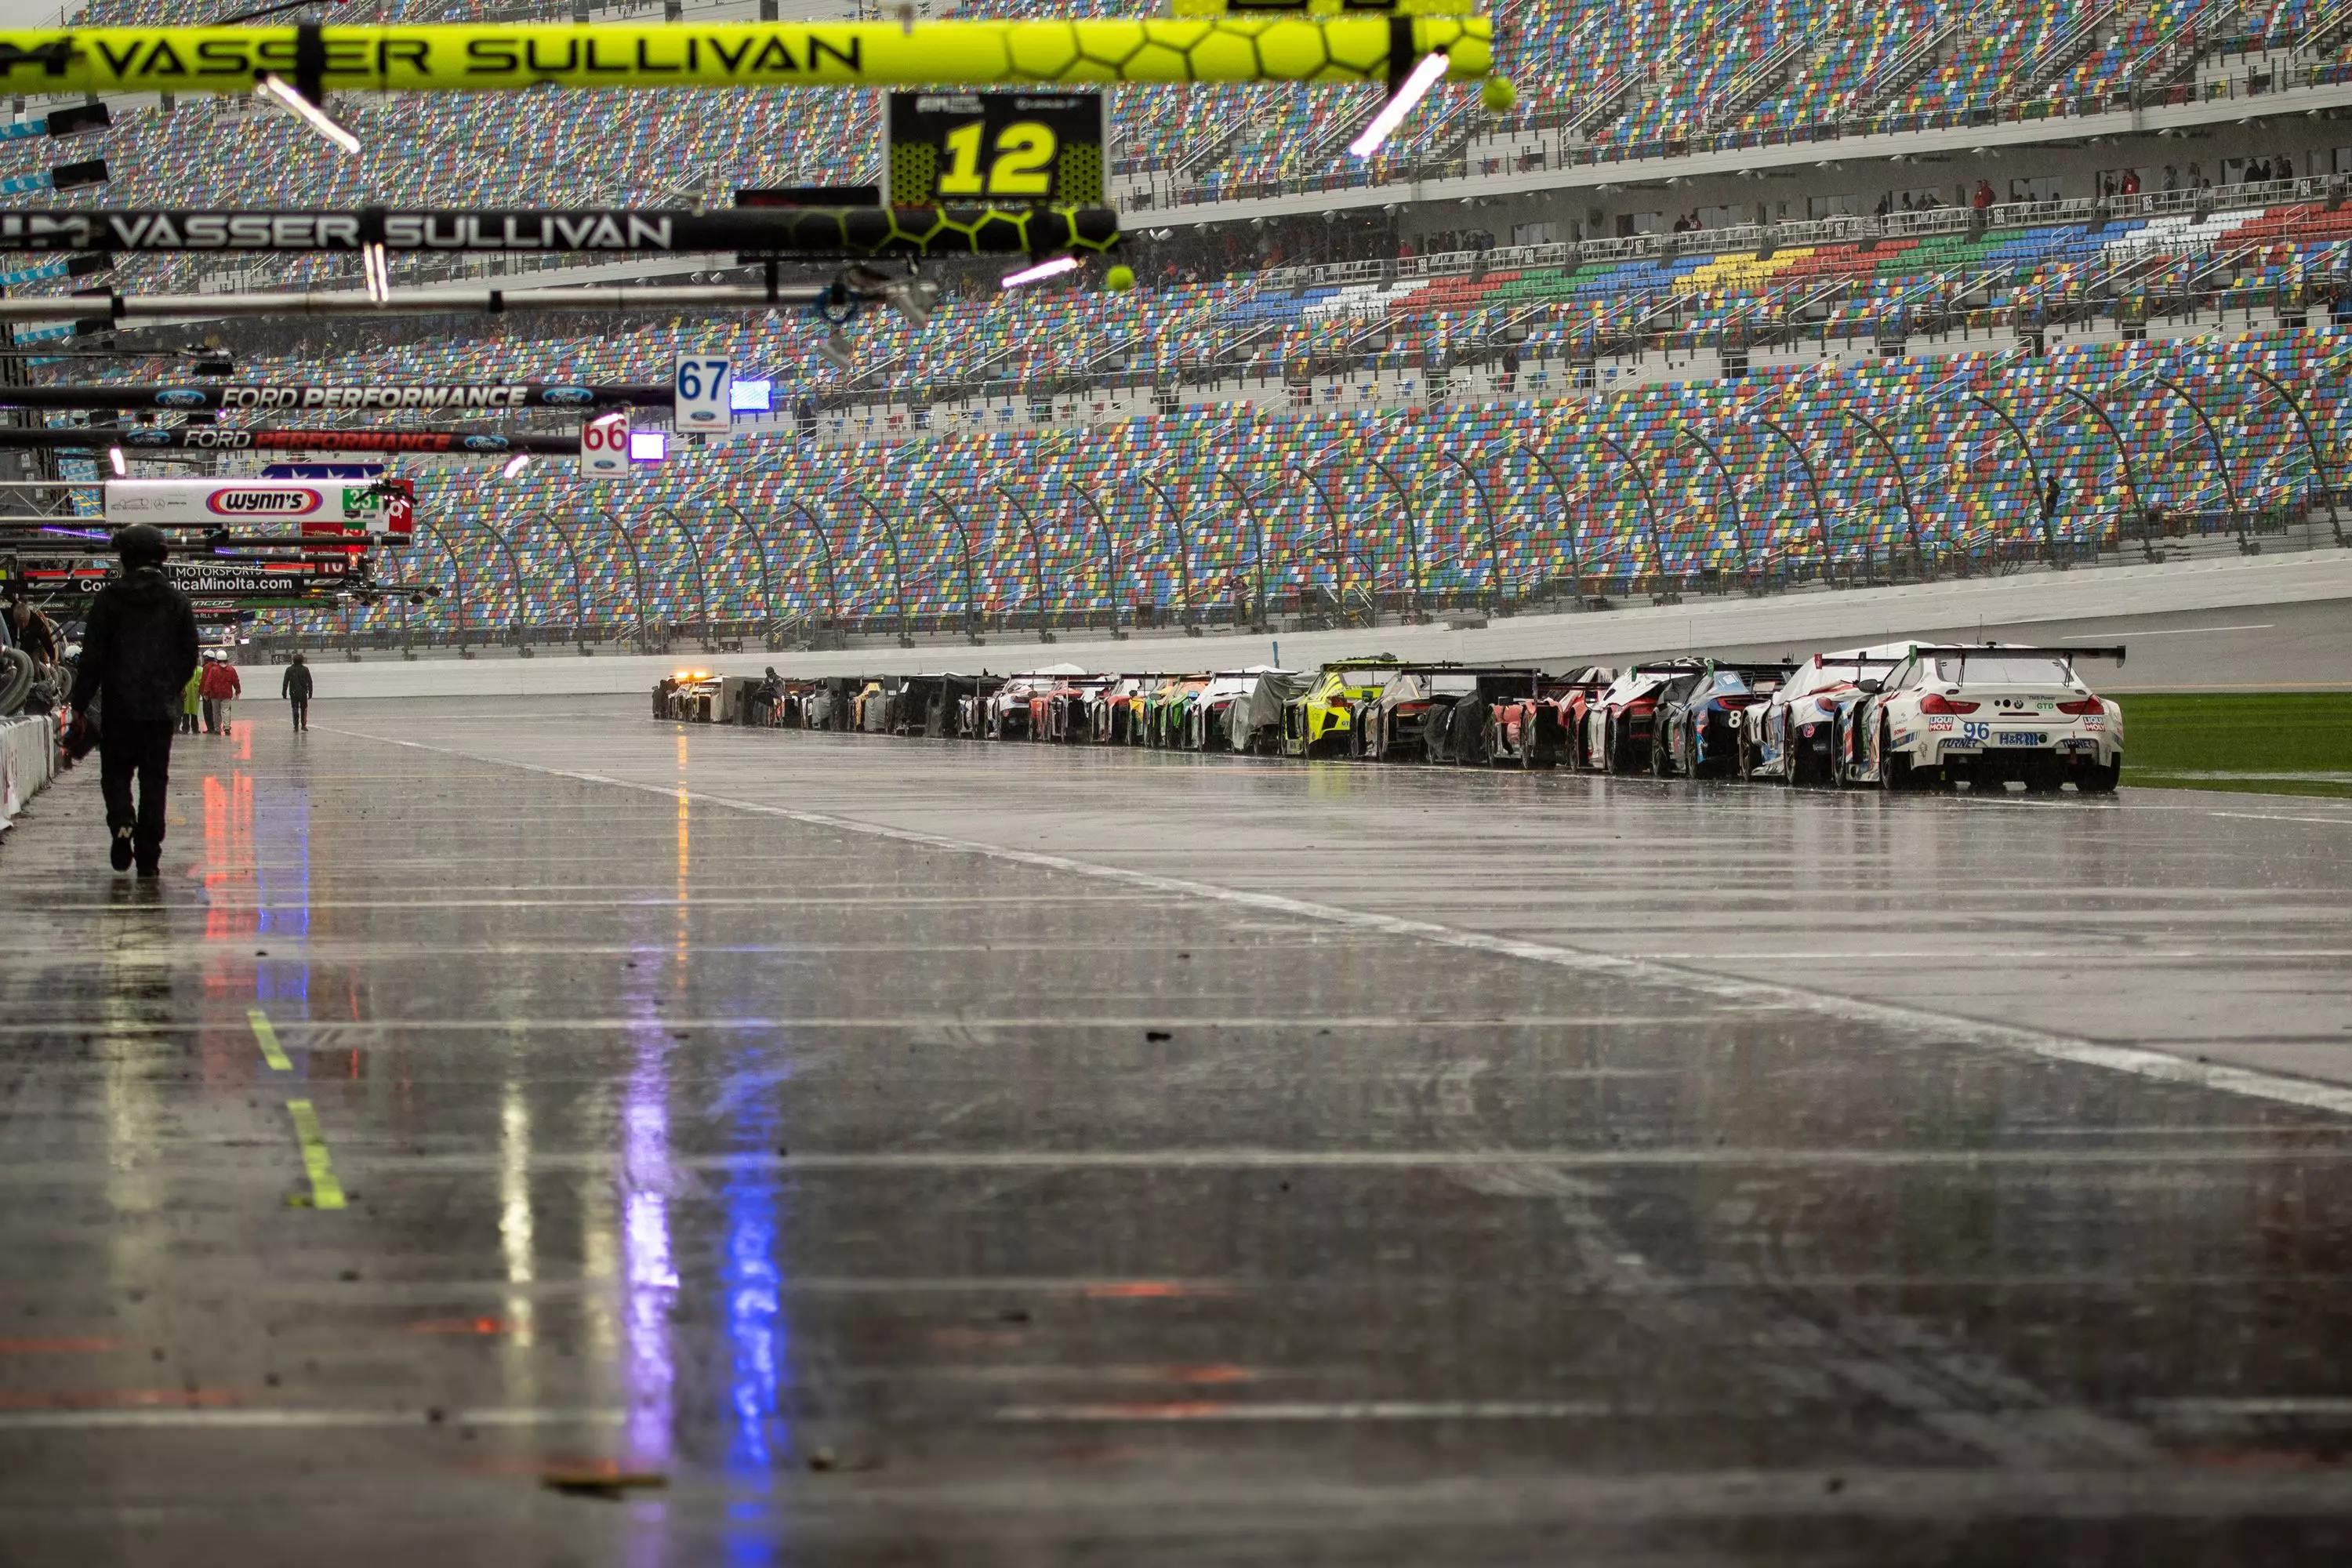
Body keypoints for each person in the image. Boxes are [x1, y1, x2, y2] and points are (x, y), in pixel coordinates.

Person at [67, 524, 198, 877]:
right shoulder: (177, 601)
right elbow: (189, 656)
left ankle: (123, 820)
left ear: (124, 559)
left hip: (118, 710)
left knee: (116, 775)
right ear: (163, 558)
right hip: (158, 712)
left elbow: (92, 658)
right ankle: (149, 853)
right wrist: (169, 687)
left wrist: (79, 704)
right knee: (155, 781)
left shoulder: (108, 600)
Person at [200, 651, 241, 735]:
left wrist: (206, 693)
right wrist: (237, 691)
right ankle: (226, 727)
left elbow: (208, 682)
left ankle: (217, 729)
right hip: (226, 694)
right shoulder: (231, 669)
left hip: (215, 695)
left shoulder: (213, 670)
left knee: (216, 712)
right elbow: (236, 681)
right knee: (226, 711)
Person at [281, 651, 313, 732]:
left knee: (294, 707)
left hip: (293, 692)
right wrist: (310, 692)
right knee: (304, 708)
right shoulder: (305, 670)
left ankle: (296, 725)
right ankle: (303, 725)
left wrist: (284, 692)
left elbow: (285, 682)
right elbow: (309, 682)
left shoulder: (289, 670)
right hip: (303, 692)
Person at [180, 662, 201, 735]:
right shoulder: (199, 670)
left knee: (187, 711)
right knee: (193, 712)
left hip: (188, 693)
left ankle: (186, 729)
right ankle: (195, 729)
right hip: (194, 694)